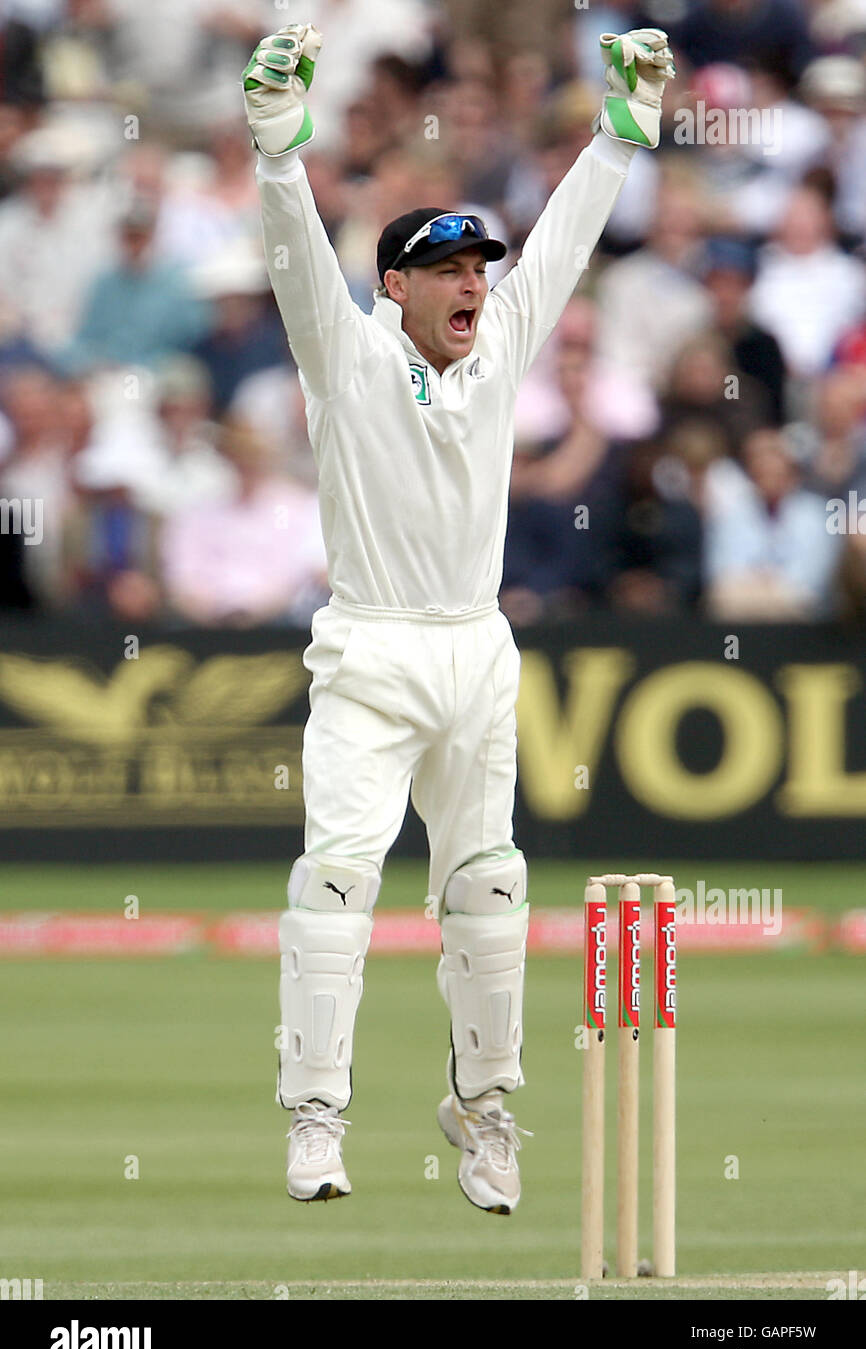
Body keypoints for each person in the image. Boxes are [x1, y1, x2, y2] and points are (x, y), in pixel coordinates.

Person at [243, 22, 674, 1212]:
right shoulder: (344, 356)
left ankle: (484, 1112)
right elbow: (290, 257)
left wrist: (618, 132)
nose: (473, 285)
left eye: (478, 268)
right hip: (370, 647)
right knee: (336, 884)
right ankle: (316, 1118)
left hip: (476, 649)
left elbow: (567, 249)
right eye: (445, 270)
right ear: (395, 286)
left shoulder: (501, 348)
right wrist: (279, 148)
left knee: (488, 890)